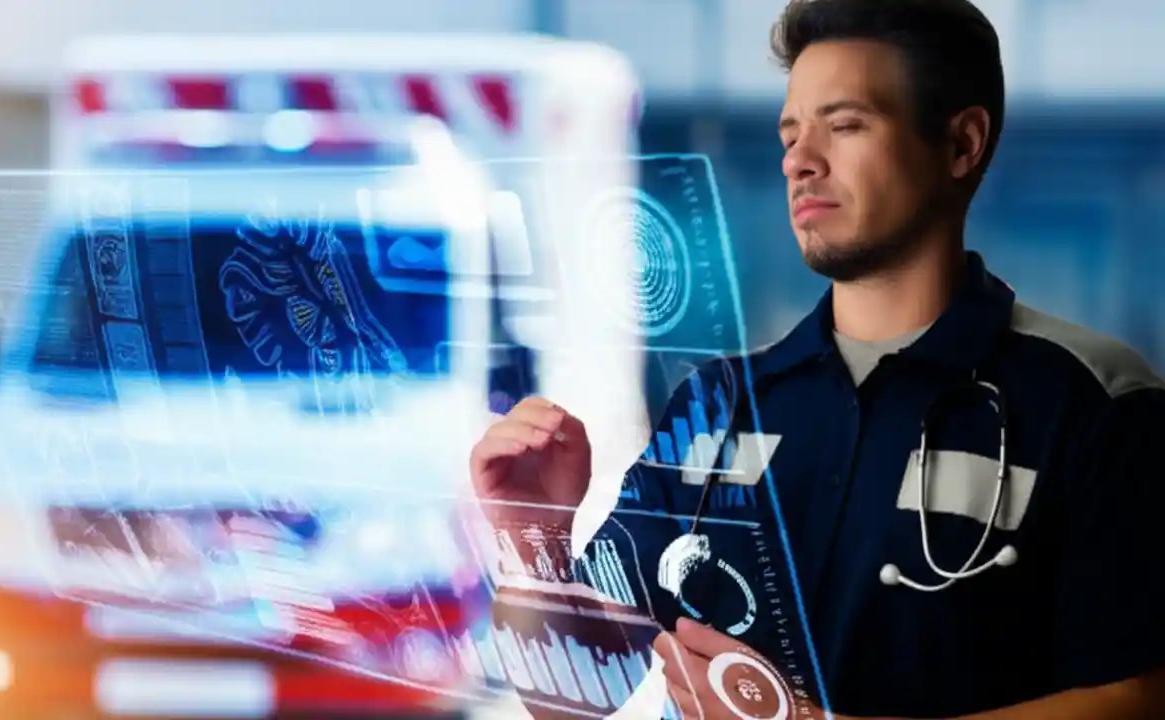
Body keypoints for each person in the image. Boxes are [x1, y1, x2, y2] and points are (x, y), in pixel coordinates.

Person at [468, 0, 1165, 717]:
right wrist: (533, 536)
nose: (799, 160)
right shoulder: (718, 408)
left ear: (961, 144)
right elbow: (576, 692)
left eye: (846, 125)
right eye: (791, 133)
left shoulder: (1097, 406)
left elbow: (1137, 697)